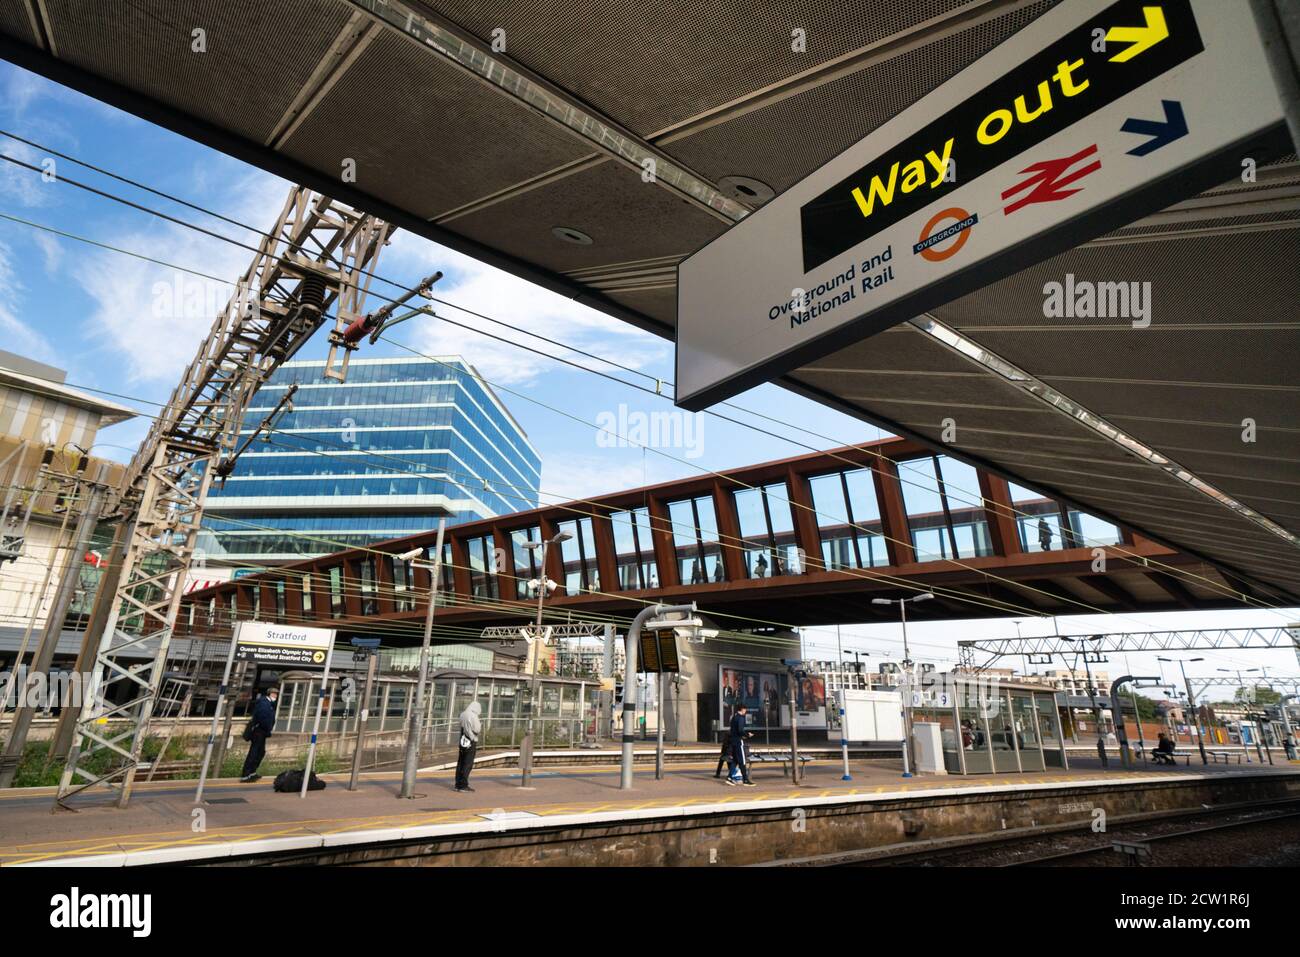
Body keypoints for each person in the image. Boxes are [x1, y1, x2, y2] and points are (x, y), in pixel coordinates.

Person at [241, 687, 278, 782]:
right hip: (259, 731)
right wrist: (267, 729)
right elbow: (263, 718)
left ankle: (252, 772)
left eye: (276, 694)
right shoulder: (264, 703)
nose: (276, 696)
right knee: (254, 752)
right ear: (269, 694)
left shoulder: (269, 704)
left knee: (260, 752)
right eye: (274, 694)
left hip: (262, 731)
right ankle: (246, 774)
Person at [726, 703, 755, 786]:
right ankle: (745, 779)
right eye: (745, 709)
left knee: (735, 760)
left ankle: (729, 777)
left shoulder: (734, 717)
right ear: (742, 709)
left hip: (733, 742)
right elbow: (740, 730)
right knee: (742, 761)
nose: (745, 711)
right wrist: (747, 735)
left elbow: (733, 730)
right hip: (739, 742)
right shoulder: (741, 718)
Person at [455, 700, 481, 791]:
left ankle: (457, 784)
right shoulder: (473, 716)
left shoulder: (463, 714)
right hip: (471, 740)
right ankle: (463, 785)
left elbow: (460, 725)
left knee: (460, 762)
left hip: (463, 740)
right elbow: (477, 729)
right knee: (468, 763)